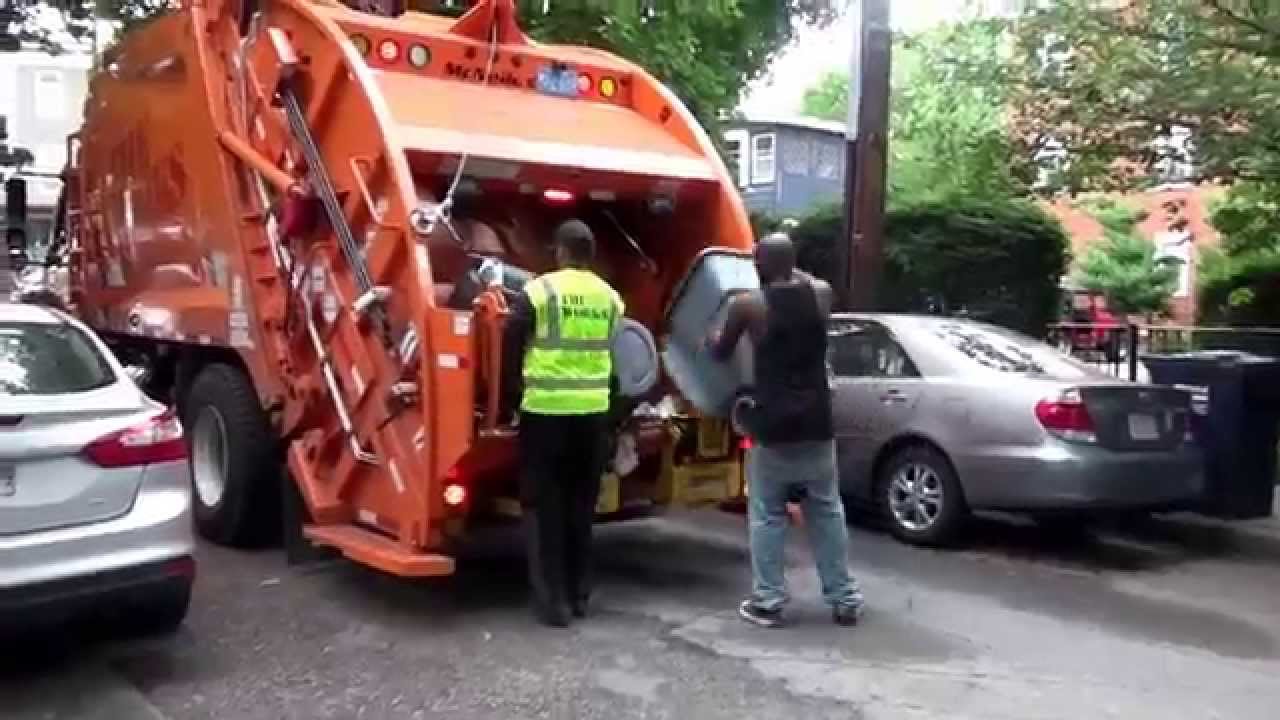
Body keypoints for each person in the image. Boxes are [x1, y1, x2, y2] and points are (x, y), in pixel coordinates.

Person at [706, 232, 864, 628]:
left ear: (759, 266)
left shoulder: (748, 305)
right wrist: (785, 265)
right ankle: (844, 598)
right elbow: (806, 280)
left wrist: (712, 338)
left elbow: (721, 351)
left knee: (767, 513)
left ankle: (768, 601)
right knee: (827, 509)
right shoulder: (821, 295)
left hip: (773, 424)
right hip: (817, 421)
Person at [502, 219, 624, 627]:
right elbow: (614, 351)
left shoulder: (539, 291)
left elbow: (511, 334)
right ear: (590, 253)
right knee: (580, 508)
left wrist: (510, 393)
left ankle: (553, 602)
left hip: (546, 412)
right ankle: (579, 595)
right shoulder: (610, 298)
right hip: (592, 414)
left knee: (544, 508)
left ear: (560, 251)